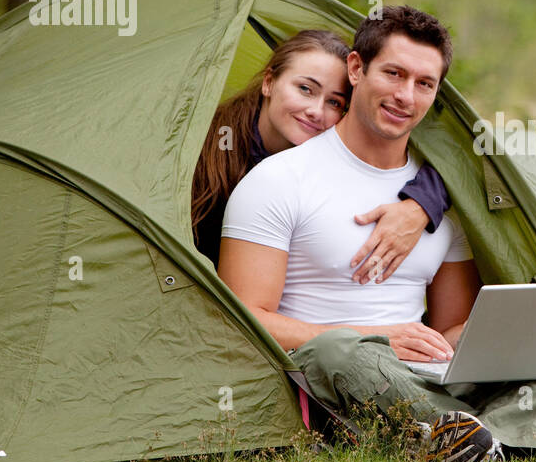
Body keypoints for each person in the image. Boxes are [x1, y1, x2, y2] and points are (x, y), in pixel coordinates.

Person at [218, 6, 536, 462]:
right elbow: (245, 317)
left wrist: (489, 338)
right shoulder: (279, 180)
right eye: (393, 74)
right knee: (338, 352)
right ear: (356, 69)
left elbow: (447, 327)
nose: (405, 96)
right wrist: (376, 338)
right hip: (347, 371)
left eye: (424, 84)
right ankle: (532, 429)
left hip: (431, 375)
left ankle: (477, 437)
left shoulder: (444, 199)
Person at [190, 29, 450, 280]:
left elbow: (457, 164)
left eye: (334, 102)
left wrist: (421, 204)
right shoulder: (209, 151)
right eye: (305, 89)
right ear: (269, 83)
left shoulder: (323, 171)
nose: (316, 111)